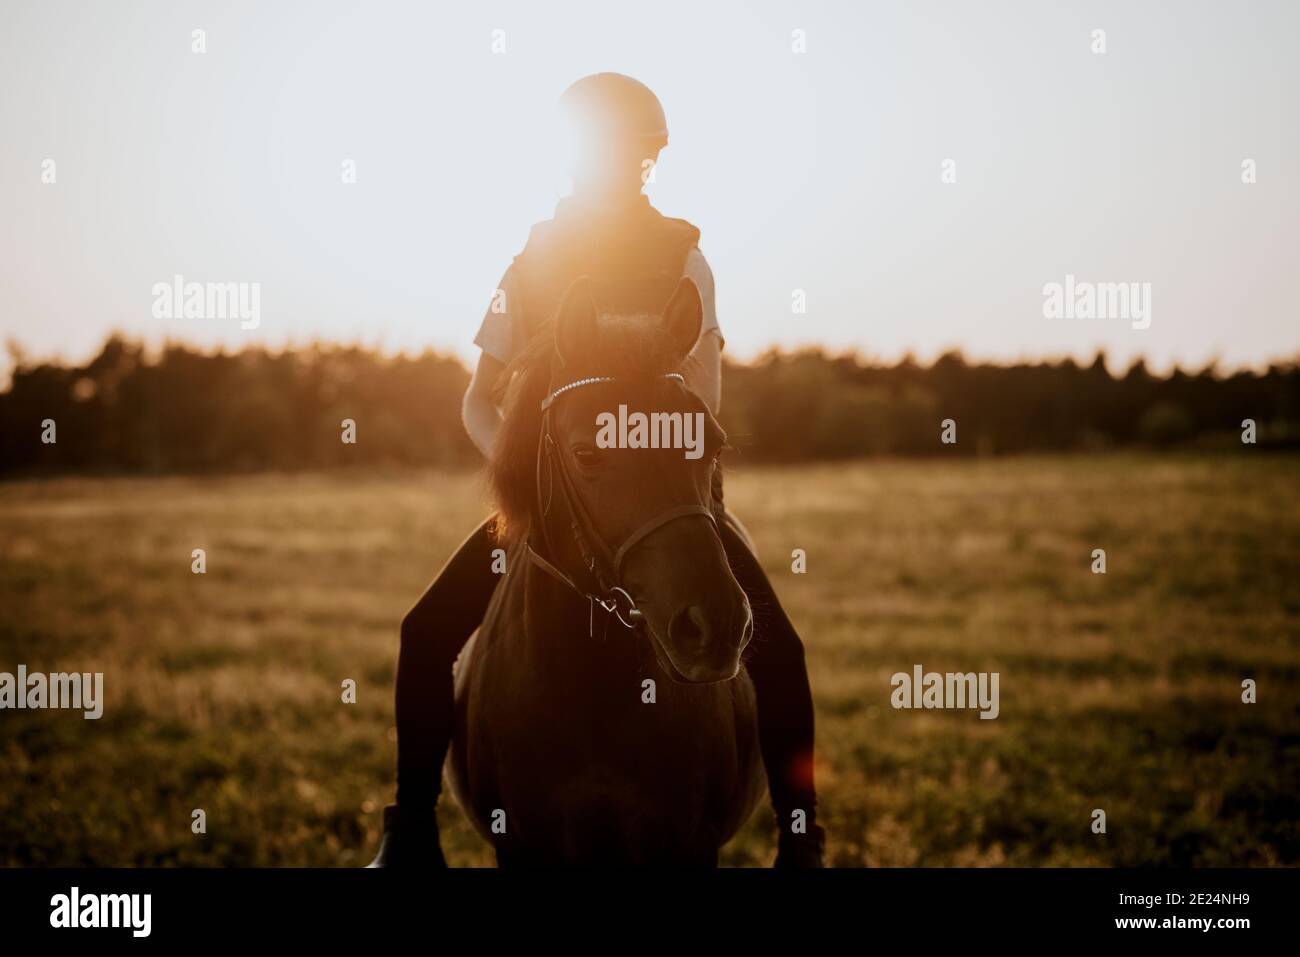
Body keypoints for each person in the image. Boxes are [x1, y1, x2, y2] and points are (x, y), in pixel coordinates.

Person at [371, 73, 823, 867]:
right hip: (558, 497)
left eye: (631, 154)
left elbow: (703, 401)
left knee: (776, 644)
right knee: (424, 631)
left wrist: (674, 471)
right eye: (602, 152)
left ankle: (800, 836)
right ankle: (410, 832)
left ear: (649, 159)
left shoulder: (686, 257)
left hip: (668, 499)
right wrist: (533, 480)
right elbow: (481, 400)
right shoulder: (532, 261)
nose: (615, 167)